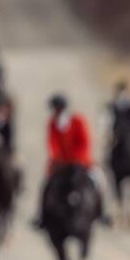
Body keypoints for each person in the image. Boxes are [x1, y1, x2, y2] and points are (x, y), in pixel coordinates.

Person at [33, 94, 111, 228]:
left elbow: (85, 141)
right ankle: (41, 216)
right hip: (61, 164)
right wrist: (58, 158)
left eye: (58, 109)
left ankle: (102, 212)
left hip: (81, 162)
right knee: (46, 184)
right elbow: (52, 143)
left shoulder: (78, 120)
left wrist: (77, 159)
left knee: (100, 180)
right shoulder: (52, 123)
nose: (56, 112)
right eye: (55, 109)